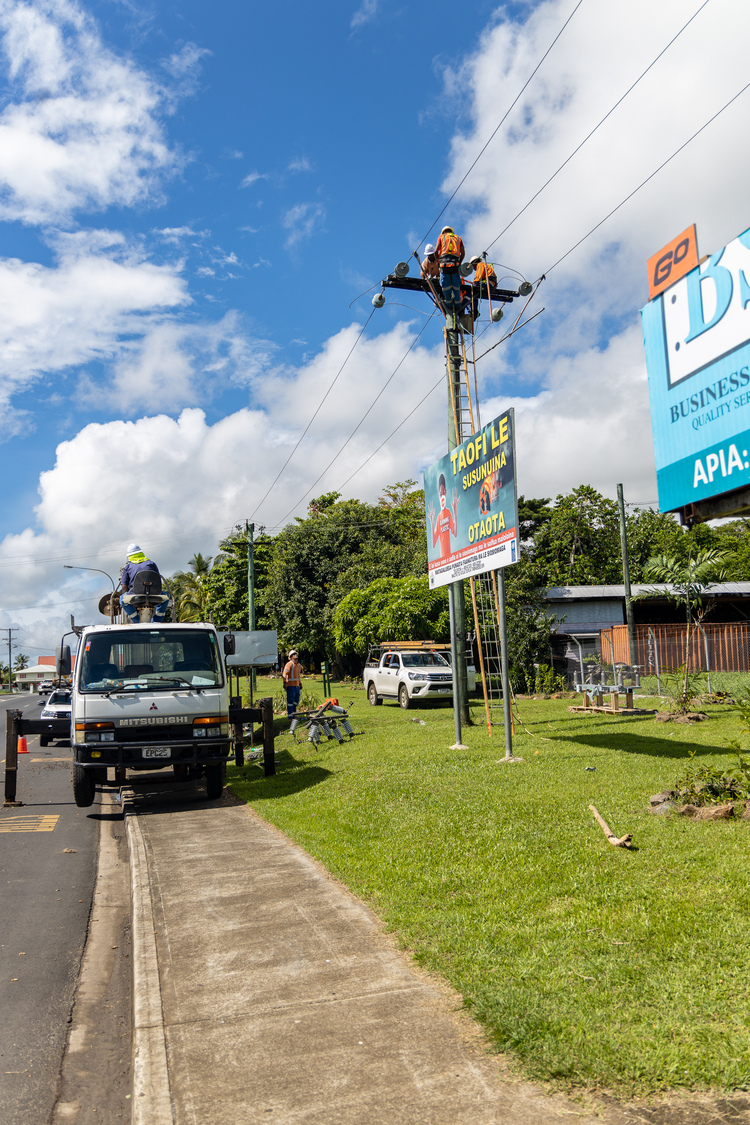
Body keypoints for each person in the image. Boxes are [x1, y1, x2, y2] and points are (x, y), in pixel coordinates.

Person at [120, 543, 170, 624]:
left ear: (129, 556)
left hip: (135, 594)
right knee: (166, 597)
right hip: (154, 593)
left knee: (121, 600)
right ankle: (157, 621)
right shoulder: (151, 563)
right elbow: (158, 581)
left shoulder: (128, 567)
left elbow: (124, 587)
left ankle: (136, 620)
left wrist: (130, 591)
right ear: (141, 553)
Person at [427, 473, 459, 559]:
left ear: (446, 492)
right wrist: (432, 523)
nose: (442, 496)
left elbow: (455, 534)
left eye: (444, 492)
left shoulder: (448, 512)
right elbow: (433, 544)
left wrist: (455, 514)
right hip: (442, 560)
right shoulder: (438, 517)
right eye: (441, 494)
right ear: (438, 496)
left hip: (449, 557)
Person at [435, 226, 465, 309]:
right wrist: (459, 263)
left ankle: (448, 306)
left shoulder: (441, 237)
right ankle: (458, 306)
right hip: (455, 266)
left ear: (444, 232)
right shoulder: (458, 238)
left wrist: (438, 262)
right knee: (456, 287)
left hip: (444, 266)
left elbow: (435, 251)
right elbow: (463, 253)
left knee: (446, 288)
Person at [283, 649, 302, 716]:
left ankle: (293, 714)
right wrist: (285, 683)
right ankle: (290, 716)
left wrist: (300, 684)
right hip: (290, 686)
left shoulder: (298, 665)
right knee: (290, 702)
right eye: (293, 654)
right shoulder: (289, 664)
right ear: (291, 657)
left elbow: (298, 676)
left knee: (296, 701)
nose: (295, 655)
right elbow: (284, 674)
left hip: (296, 686)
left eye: (295, 653)